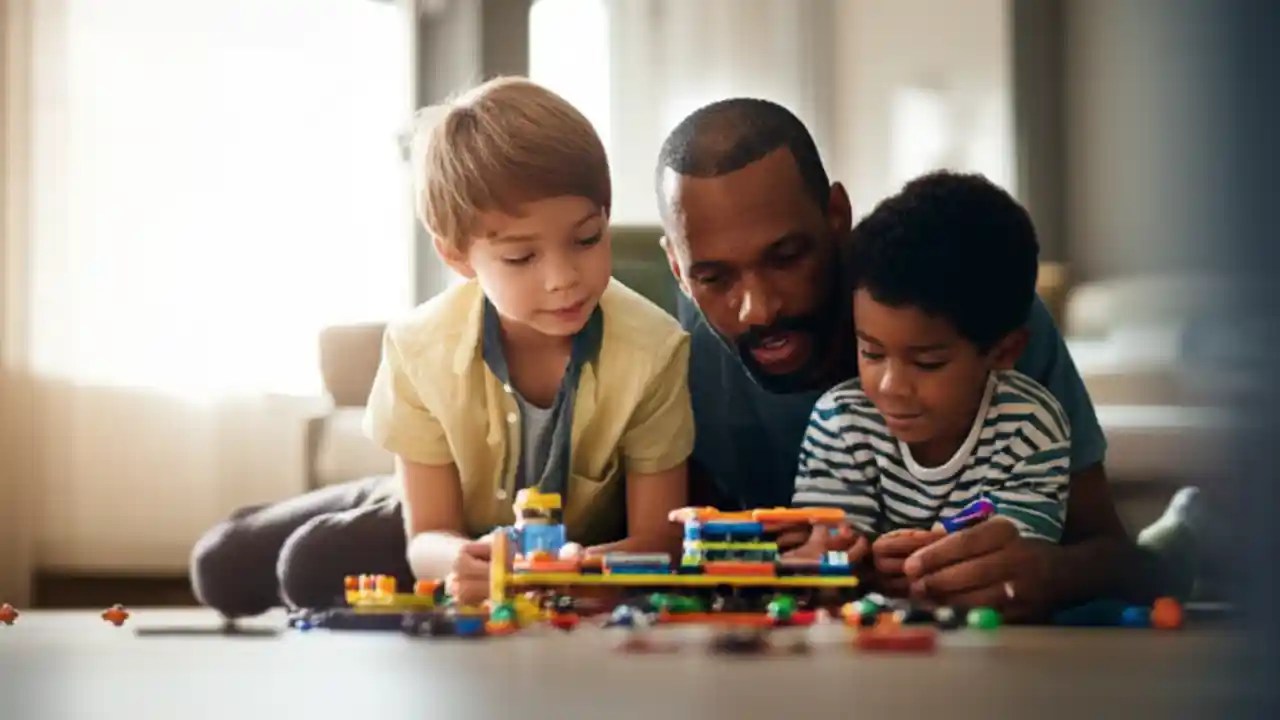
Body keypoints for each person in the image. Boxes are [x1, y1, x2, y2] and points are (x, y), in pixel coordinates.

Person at [190, 77, 691, 614]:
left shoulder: (653, 349)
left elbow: (659, 542)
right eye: (522, 258)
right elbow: (427, 534)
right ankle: (323, 505)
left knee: (308, 565)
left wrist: (574, 576)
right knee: (219, 563)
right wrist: (456, 559)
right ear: (457, 257)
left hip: (575, 547)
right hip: (433, 509)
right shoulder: (418, 346)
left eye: (587, 239)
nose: (563, 278)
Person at [654, 97, 1161, 620]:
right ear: (676, 267)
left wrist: (1052, 572)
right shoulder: (671, 361)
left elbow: (1123, 559)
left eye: (786, 258)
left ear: (836, 218)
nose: (757, 310)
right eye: (713, 278)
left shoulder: (971, 308)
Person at [787, 171, 1072, 607]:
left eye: (927, 362)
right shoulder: (841, 422)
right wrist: (842, 562)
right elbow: (826, 543)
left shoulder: (1028, 426)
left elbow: (1012, 565)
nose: (891, 387)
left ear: (1004, 351)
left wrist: (951, 562)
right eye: (871, 352)